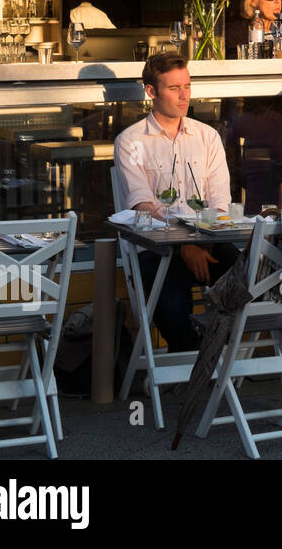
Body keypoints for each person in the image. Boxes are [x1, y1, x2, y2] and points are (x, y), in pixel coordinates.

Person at [114, 52, 235, 351]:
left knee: (244, 279)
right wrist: (184, 246)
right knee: (168, 304)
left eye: (187, 86)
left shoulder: (207, 136)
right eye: (174, 88)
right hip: (156, 247)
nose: (184, 96)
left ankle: (216, 352)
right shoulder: (131, 141)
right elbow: (143, 207)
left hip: (206, 240)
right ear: (151, 91)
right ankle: (194, 359)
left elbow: (220, 199)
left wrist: (202, 242)